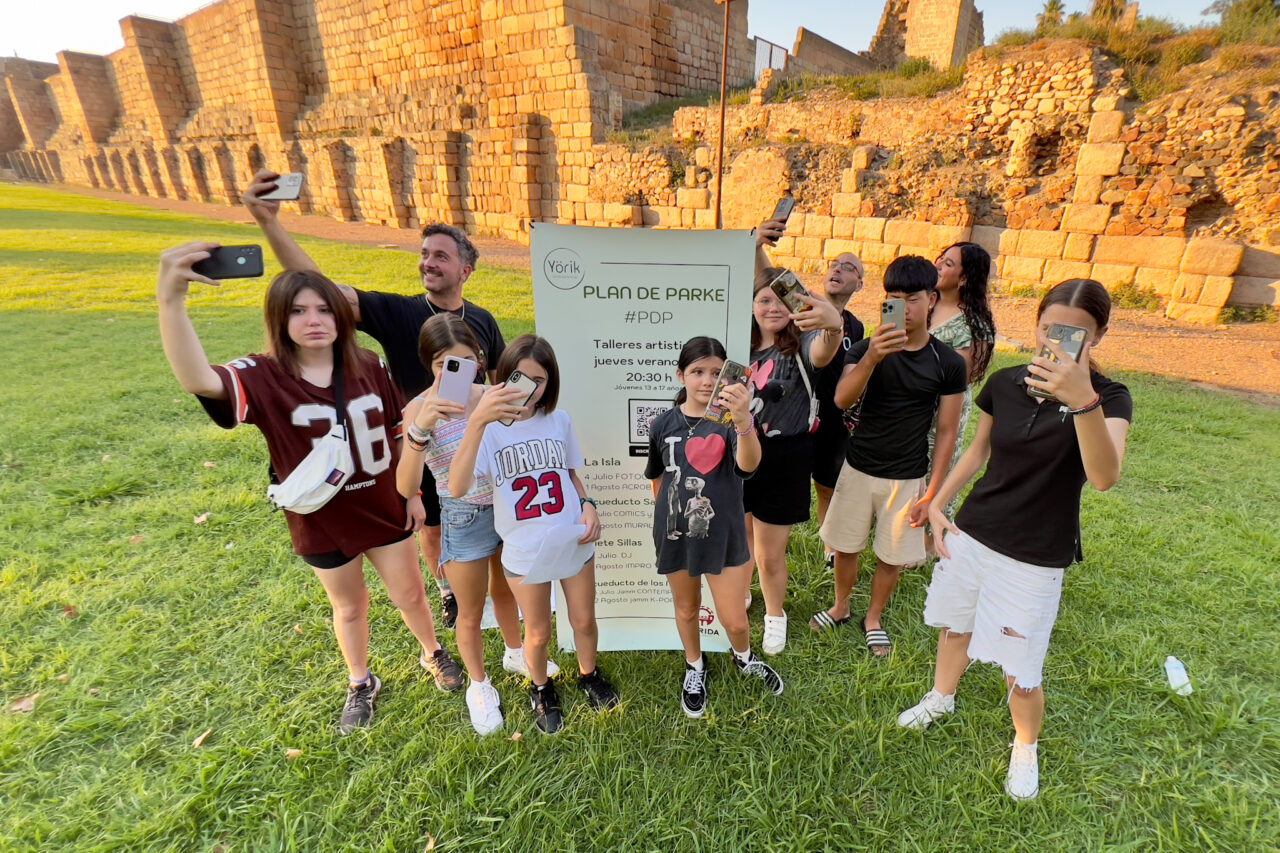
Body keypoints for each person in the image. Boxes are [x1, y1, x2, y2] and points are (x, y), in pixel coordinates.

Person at [155, 243, 463, 735]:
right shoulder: (261, 375)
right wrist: (171, 299)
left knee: (410, 593)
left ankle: (433, 651)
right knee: (349, 604)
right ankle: (360, 681)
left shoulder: (370, 364)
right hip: (320, 514)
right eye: (298, 310)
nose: (313, 319)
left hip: (383, 504)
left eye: (324, 309)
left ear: (341, 316)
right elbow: (197, 378)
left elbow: (395, 432)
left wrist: (411, 495)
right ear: (279, 318)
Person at [897, 279, 1132, 801]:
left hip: (1036, 553)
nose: (1058, 342)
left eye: (1076, 334)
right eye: (1051, 329)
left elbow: (1103, 476)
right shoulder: (1004, 383)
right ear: (1037, 324)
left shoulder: (1111, 398)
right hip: (976, 532)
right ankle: (942, 696)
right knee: (955, 626)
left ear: (1099, 337)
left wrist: (1083, 402)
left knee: (1021, 669)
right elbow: (977, 452)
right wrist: (937, 501)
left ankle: (1025, 746)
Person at [242, 170, 506, 629]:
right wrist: (271, 225)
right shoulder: (399, 311)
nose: (428, 263)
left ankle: (481, 588)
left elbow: (498, 375)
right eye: (424, 255)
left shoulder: (481, 319)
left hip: (472, 442)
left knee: (477, 520)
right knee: (431, 525)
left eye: (440, 257)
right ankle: (446, 589)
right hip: (417, 440)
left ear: (465, 270)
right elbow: (320, 290)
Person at [448, 335, 619, 734]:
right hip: (524, 549)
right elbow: (456, 487)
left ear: (550, 383)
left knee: (583, 619)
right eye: (517, 377)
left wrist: (589, 503)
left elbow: (572, 476)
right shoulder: (488, 431)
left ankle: (588, 674)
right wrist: (477, 421)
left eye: (538, 380)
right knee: (538, 631)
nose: (527, 388)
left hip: (572, 538)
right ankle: (541, 688)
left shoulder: (559, 421)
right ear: (501, 378)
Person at [396, 314, 558, 735]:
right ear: (428, 366)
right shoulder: (419, 410)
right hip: (463, 515)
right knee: (470, 611)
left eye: (467, 361)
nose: (458, 373)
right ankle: (479, 685)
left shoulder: (494, 394)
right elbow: (406, 484)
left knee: (505, 593)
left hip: (509, 508)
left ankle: (514, 650)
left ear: (481, 359)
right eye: (444, 365)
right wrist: (421, 428)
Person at [809, 255, 966, 658]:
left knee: (891, 557)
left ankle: (873, 617)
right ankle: (841, 606)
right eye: (892, 299)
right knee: (845, 547)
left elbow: (947, 432)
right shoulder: (865, 348)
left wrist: (934, 493)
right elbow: (843, 399)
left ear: (931, 299)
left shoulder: (946, 362)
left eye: (911, 298)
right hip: (858, 466)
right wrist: (873, 357)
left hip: (907, 474)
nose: (903, 308)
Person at [645, 337, 783, 718]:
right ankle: (695, 665)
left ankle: (744, 657)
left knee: (735, 618)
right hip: (676, 534)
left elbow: (750, 466)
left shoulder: (730, 422)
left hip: (725, 534)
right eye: (697, 372)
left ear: (727, 375)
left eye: (714, 372)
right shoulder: (662, 424)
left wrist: (743, 422)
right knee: (687, 609)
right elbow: (657, 481)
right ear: (680, 375)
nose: (707, 381)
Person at [745, 269, 844, 655]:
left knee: (769, 554)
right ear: (751, 306)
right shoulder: (738, 347)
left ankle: (775, 616)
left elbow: (825, 349)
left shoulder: (802, 345)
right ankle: (742, 596)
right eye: (763, 300)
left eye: (780, 300)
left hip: (785, 456)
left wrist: (833, 325)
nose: (772, 307)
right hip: (740, 452)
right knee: (742, 543)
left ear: (794, 304)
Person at [926, 241, 996, 522]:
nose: (939, 265)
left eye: (949, 264)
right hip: (907, 403)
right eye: (940, 259)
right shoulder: (922, 305)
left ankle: (930, 541)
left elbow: (963, 375)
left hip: (943, 409)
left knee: (935, 468)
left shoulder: (973, 322)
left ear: (964, 278)